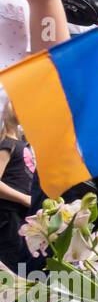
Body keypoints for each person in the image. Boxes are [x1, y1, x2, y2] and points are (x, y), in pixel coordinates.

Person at [0, 100, 34, 275]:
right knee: (13, 264)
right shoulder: (7, 144)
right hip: (8, 215)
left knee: (24, 262)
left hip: (20, 215)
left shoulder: (19, 143)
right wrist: (24, 198)